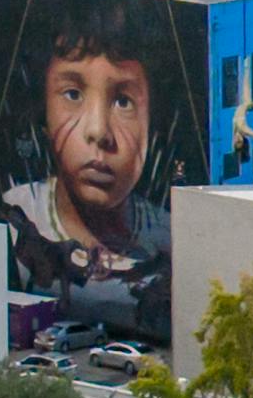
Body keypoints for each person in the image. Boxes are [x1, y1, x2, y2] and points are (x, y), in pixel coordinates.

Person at [11, 22, 180, 347]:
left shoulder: (174, 235)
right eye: (72, 94)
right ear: (43, 114)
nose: (99, 131)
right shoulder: (13, 219)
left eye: (123, 102)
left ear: (152, 127)